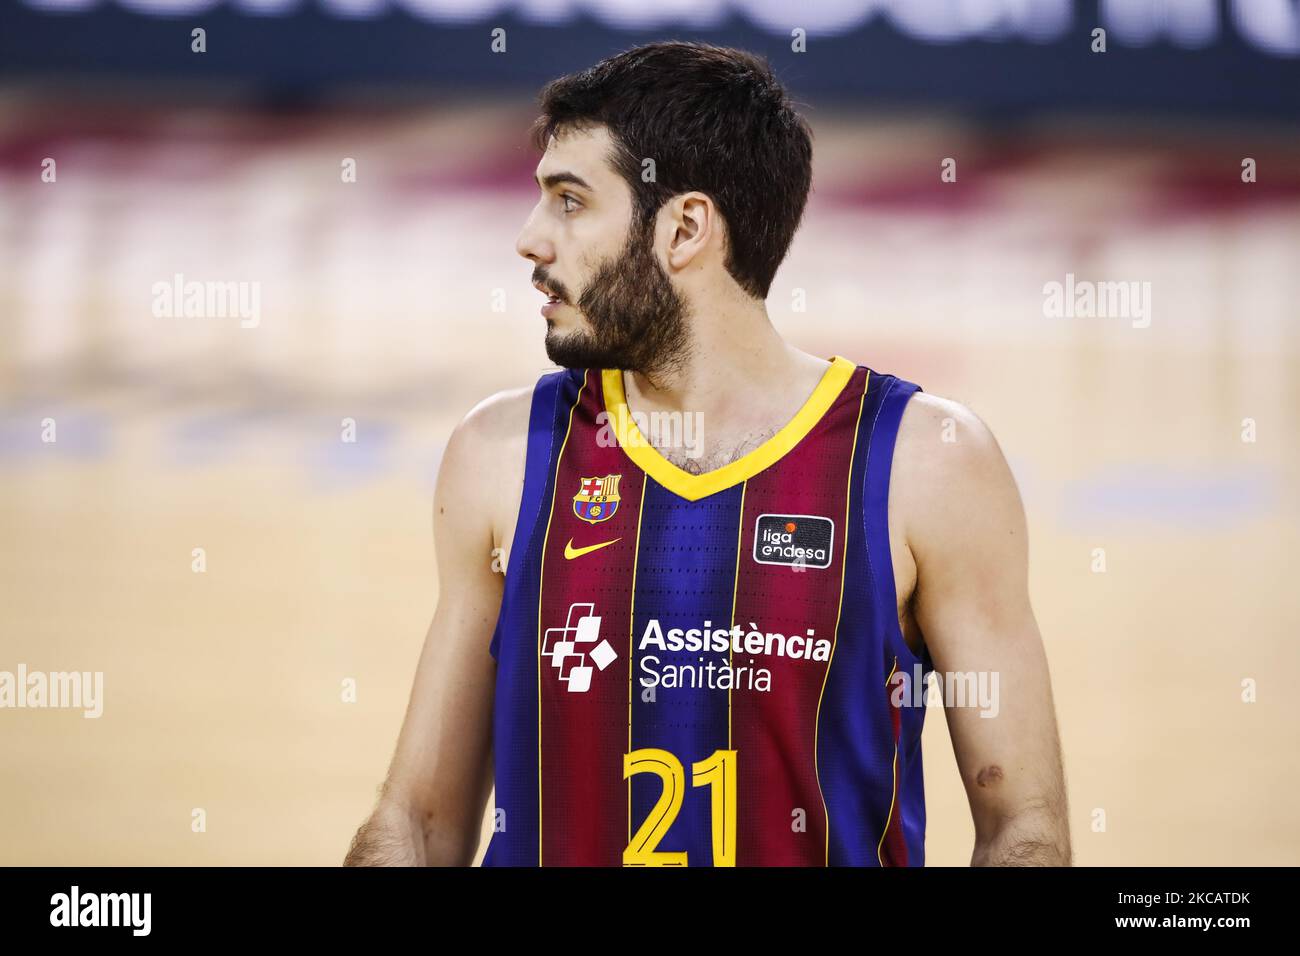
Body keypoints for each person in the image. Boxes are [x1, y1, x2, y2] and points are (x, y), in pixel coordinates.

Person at [345, 40, 1070, 867]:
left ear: (685, 228)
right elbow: (416, 825)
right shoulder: (499, 455)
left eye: (570, 201)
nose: (530, 238)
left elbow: (1023, 828)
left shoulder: (927, 462)